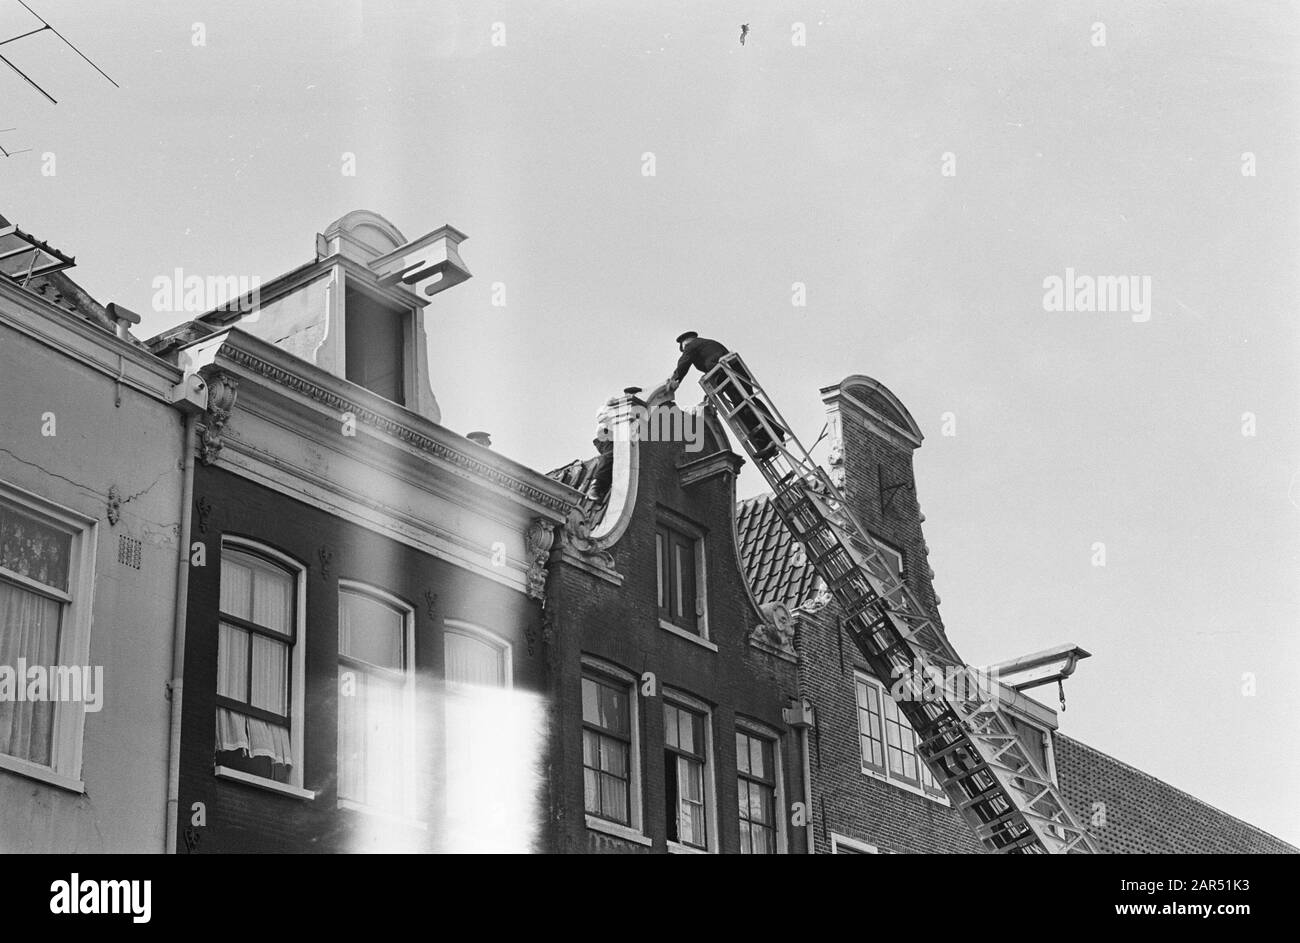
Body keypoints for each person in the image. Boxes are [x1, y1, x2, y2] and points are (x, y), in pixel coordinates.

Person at [664, 331, 785, 460]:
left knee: (745, 405)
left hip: (727, 372)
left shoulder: (693, 345)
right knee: (745, 404)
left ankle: (771, 437)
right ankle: (767, 441)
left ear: (685, 343)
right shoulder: (706, 345)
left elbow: (684, 362)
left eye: (683, 348)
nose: (684, 351)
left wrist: (675, 380)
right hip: (730, 371)